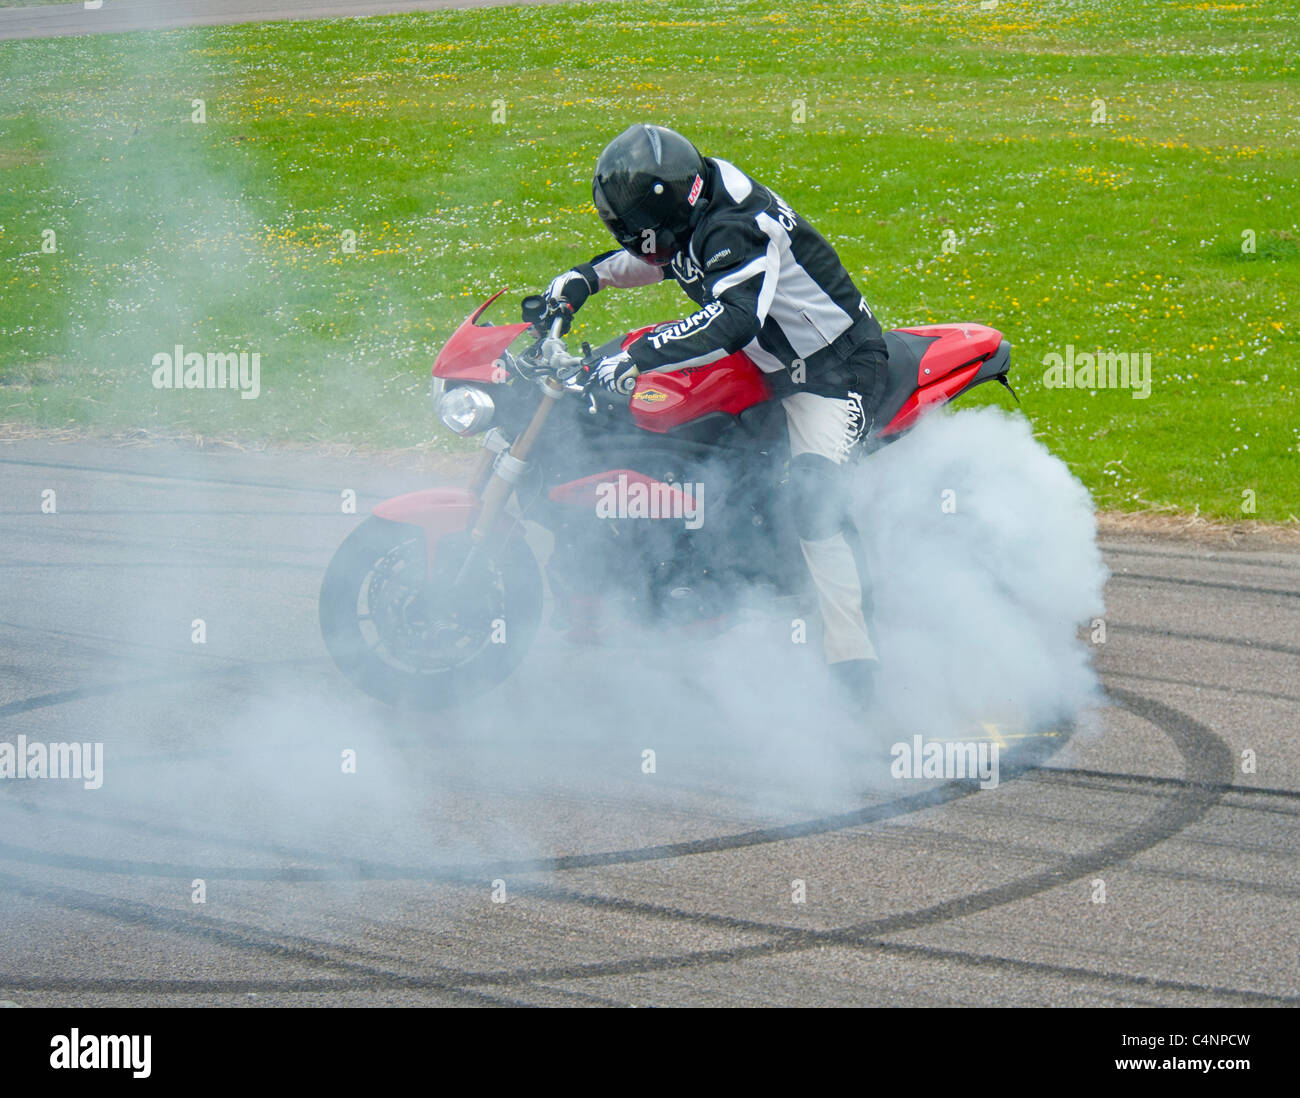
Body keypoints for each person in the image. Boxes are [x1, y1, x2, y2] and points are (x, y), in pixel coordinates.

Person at [542, 124, 887, 706]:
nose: (638, 244)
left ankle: (856, 661)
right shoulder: (696, 204)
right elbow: (673, 260)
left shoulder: (735, 227)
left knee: (811, 497)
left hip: (831, 370)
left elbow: (733, 320)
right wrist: (590, 276)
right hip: (764, 365)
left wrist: (635, 356)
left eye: (638, 235)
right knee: (675, 438)